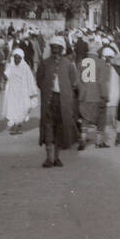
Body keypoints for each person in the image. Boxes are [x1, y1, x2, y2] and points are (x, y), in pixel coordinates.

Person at [37, 35, 79, 167]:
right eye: (53, 48)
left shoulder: (68, 65)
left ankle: (56, 157)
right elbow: (39, 80)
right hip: (49, 100)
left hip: (63, 101)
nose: (55, 51)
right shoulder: (44, 63)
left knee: (60, 128)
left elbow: (74, 83)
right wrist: (47, 90)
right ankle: (49, 158)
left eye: (58, 48)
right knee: (48, 126)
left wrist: (66, 94)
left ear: (62, 49)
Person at [77, 45, 111, 149]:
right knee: (101, 117)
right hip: (97, 94)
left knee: (85, 118)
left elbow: (77, 81)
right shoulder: (102, 63)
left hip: (84, 95)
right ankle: (99, 142)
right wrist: (105, 96)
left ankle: (83, 138)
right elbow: (102, 82)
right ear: (98, 53)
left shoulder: (80, 63)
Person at [0, 46, 40, 134]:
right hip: (12, 92)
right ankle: (14, 126)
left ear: (21, 58)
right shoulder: (11, 66)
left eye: (18, 58)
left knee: (22, 109)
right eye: (15, 58)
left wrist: (32, 93)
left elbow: (30, 81)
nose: (16, 60)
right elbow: (6, 75)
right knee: (13, 108)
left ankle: (18, 126)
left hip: (22, 92)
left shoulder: (25, 68)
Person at [100, 46, 120, 147]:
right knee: (117, 118)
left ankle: (102, 139)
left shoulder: (101, 68)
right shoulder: (118, 68)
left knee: (103, 119)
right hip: (116, 96)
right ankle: (118, 135)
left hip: (106, 96)